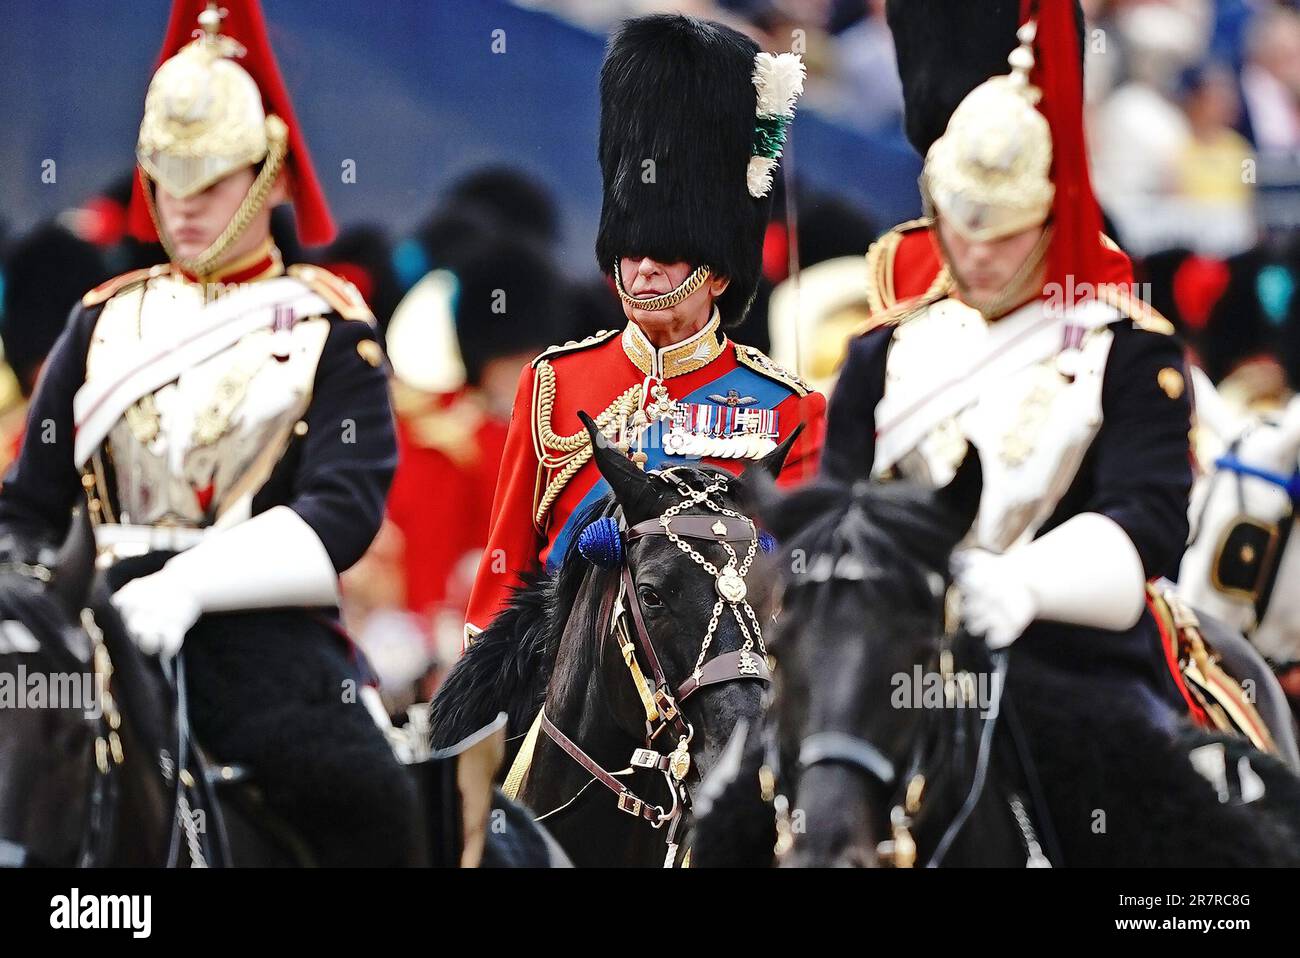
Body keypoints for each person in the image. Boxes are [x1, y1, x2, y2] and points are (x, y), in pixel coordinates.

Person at [0, 0, 420, 865]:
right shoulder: (101, 320)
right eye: (168, 179)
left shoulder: (330, 325)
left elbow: (340, 515)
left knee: (371, 804)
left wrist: (189, 586)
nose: (183, 207)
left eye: (211, 182)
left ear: (264, 171)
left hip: (257, 638)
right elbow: (26, 510)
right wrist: (40, 611)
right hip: (92, 624)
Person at [824, 2, 1198, 728]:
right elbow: (833, 504)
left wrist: (1028, 585)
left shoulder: (1129, 349)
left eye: (1006, 232)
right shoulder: (882, 350)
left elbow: (1146, 519)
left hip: (1068, 659)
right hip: (892, 656)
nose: (980, 253)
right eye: (963, 226)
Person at [463, 14, 827, 641]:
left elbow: (792, 602)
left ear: (718, 273)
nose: (647, 267)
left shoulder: (788, 410)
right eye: (633, 248)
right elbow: (499, 594)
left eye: (669, 251)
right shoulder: (553, 384)